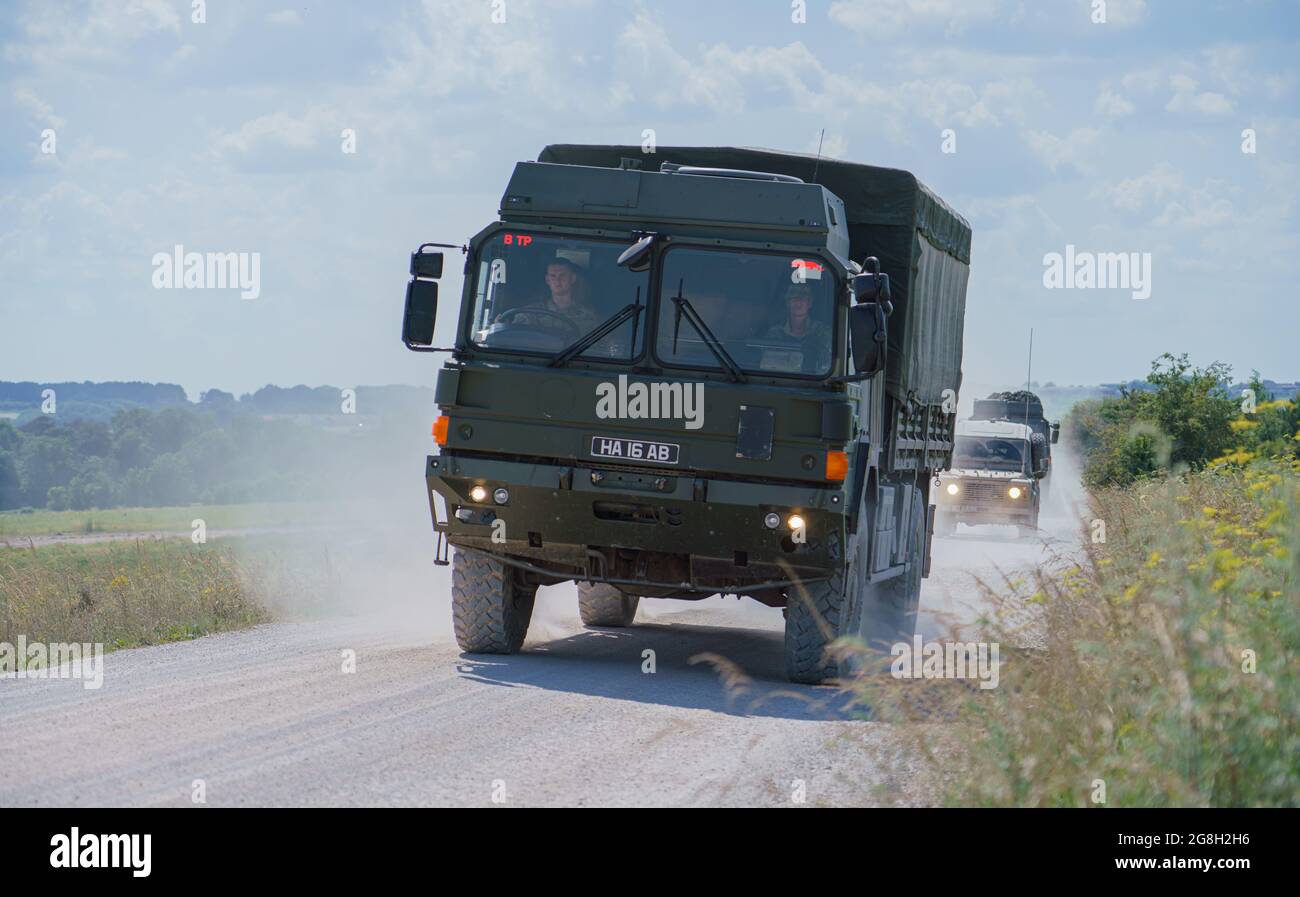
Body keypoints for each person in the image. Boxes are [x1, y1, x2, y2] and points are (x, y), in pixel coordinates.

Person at [761, 282, 832, 371]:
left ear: (809, 303)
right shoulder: (775, 333)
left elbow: (826, 365)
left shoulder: (822, 332)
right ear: (787, 303)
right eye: (794, 297)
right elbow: (768, 364)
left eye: (803, 298)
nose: (798, 301)